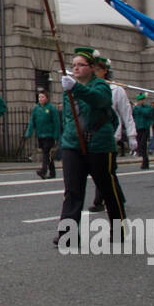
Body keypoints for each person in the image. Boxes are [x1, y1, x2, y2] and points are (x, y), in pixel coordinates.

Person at [53, 48, 123, 246]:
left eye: (81, 65)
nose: (76, 68)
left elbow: (99, 100)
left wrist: (76, 88)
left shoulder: (100, 85)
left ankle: (119, 228)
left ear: (91, 68)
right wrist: (66, 139)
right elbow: (68, 117)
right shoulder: (68, 88)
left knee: (107, 188)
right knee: (72, 190)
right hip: (73, 145)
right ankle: (68, 234)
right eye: (73, 65)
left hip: (98, 146)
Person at [88, 55, 134, 212]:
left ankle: (103, 200)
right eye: (93, 68)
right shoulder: (88, 87)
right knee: (101, 171)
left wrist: (132, 136)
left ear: (105, 71)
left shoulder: (116, 90)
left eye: (98, 69)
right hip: (92, 136)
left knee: (107, 170)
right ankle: (111, 198)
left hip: (111, 136)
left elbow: (126, 113)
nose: (95, 71)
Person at [25, 89, 61, 179]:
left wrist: (56, 135)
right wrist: (28, 132)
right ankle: (52, 173)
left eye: (42, 97)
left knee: (46, 153)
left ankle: (43, 170)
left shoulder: (51, 108)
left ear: (47, 98)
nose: (40, 99)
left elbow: (56, 122)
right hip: (40, 135)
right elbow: (32, 121)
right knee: (47, 154)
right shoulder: (36, 108)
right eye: (39, 97)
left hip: (49, 135)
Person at [132, 93, 154, 170]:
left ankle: (145, 162)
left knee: (143, 144)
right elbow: (132, 115)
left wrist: (137, 107)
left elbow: (146, 113)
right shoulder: (136, 108)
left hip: (145, 128)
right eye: (139, 100)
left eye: (142, 100)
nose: (141, 101)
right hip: (138, 128)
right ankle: (144, 161)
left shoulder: (148, 107)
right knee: (140, 145)